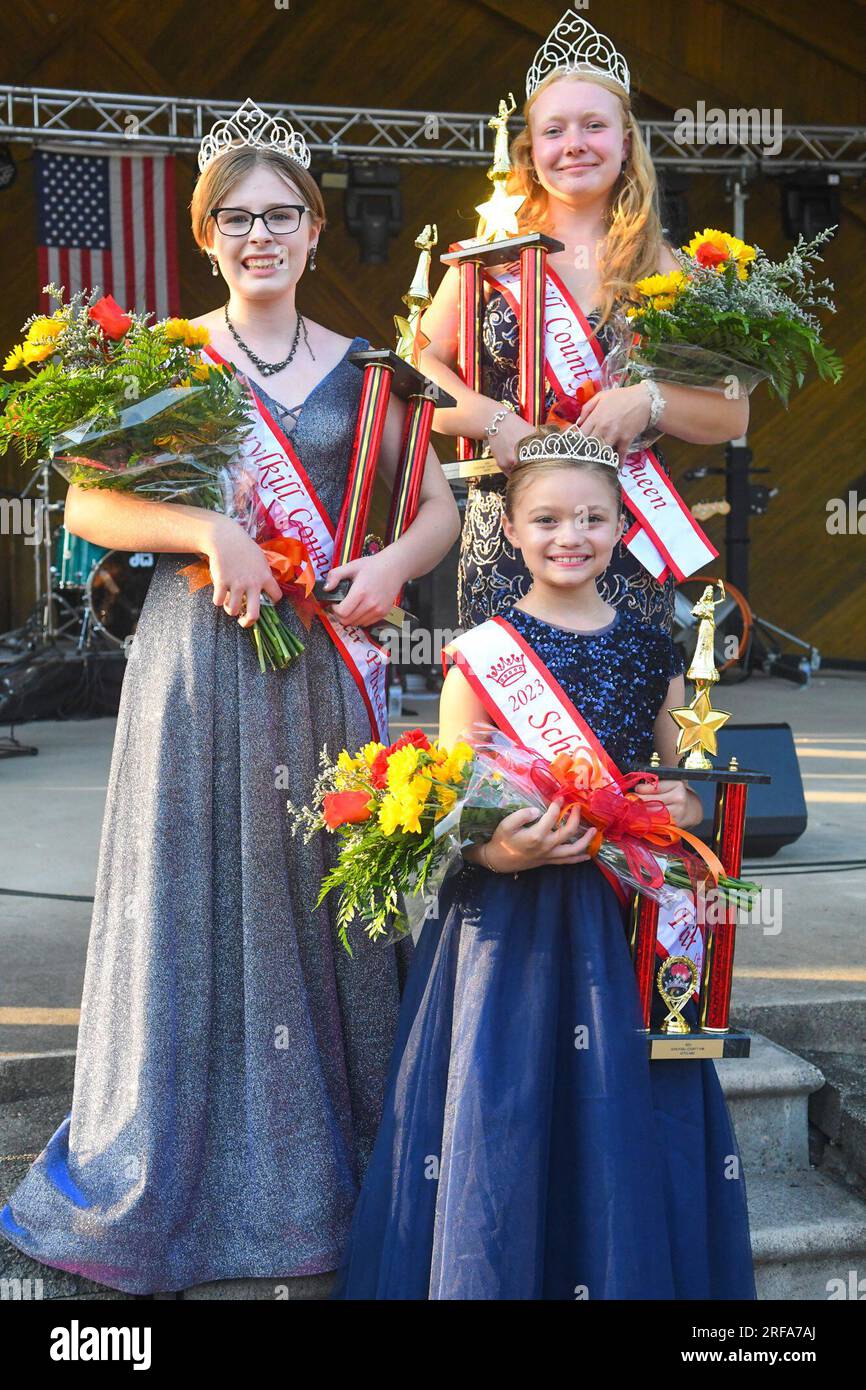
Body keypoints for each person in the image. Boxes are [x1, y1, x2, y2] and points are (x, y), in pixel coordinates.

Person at [0, 102, 460, 1296]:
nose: (262, 235)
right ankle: (175, 1159)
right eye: (236, 218)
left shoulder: (371, 369)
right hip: (196, 666)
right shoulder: (164, 360)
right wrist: (208, 525)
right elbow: (92, 509)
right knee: (198, 894)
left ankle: (325, 1157)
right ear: (208, 235)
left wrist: (396, 565)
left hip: (320, 666)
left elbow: (437, 506)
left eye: (283, 215)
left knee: (320, 891)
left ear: (314, 232)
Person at [334, 424, 756, 1299]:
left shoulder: (651, 649)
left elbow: (687, 775)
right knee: (506, 1103)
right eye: (550, 520)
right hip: (509, 916)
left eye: (595, 520)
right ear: (515, 531)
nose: (573, 537)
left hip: (624, 913)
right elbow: (453, 802)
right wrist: (501, 847)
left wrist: (690, 802)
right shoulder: (481, 656)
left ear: (621, 531)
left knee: (619, 1103)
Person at [419, 10, 748, 632]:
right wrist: (492, 419)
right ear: (532, 149)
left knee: (626, 716)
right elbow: (417, 367)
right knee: (502, 722)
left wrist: (646, 401)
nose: (574, 143)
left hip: (625, 531)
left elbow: (731, 413)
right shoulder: (489, 260)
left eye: (594, 126)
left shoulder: (675, 274)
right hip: (511, 537)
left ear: (625, 142)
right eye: (554, 130)